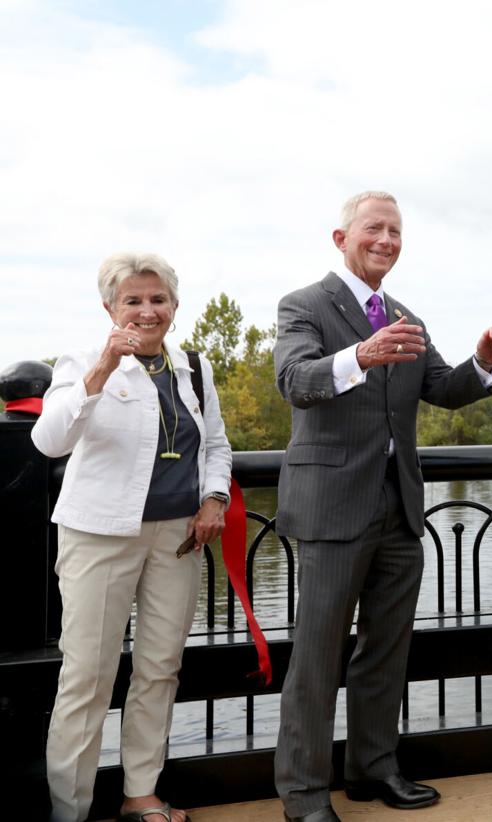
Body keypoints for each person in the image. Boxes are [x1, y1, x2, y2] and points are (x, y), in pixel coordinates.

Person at [273, 191, 492, 822]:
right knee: (317, 657)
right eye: (373, 228)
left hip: (398, 506)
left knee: (386, 650)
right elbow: (295, 381)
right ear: (341, 238)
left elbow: (441, 388)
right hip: (331, 508)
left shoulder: (406, 316)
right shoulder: (304, 305)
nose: (386, 240)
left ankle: (373, 769)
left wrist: (482, 365)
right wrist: (360, 355)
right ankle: (303, 794)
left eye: (396, 232)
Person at [32, 253, 232, 822]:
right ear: (110, 308)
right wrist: (103, 367)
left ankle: (141, 793)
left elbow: (216, 445)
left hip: (177, 539)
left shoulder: (194, 368)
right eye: (133, 301)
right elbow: (49, 440)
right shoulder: (81, 362)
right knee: (88, 676)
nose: (147, 311)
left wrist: (215, 498)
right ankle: (70, 809)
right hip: (100, 536)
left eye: (158, 299)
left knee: (159, 668)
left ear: (174, 306)